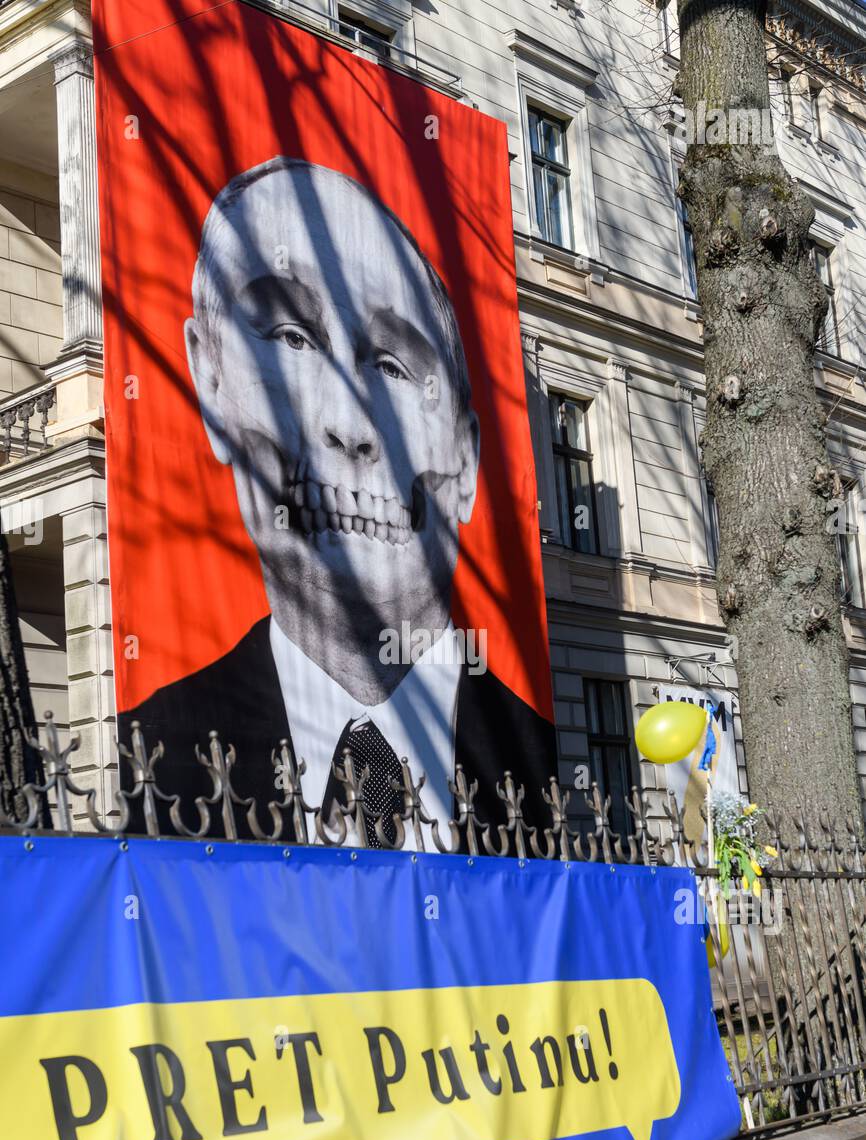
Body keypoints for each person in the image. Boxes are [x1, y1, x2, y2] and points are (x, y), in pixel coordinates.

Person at [120, 158, 555, 845]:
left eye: (392, 366)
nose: (349, 425)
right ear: (210, 376)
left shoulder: (536, 771)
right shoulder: (150, 754)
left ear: (467, 459)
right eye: (292, 339)